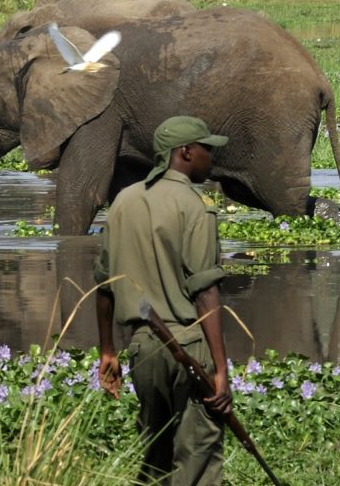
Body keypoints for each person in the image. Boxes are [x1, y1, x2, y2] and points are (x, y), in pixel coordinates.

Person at [94, 116, 233, 486]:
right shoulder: (195, 206)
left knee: (156, 455)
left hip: (143, 352)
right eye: (206, 148)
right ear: (186, 152)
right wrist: (220, 370)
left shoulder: (123, 202)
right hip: (188, 345)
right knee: (199, 456)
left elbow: (104, 286)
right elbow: (205, 293)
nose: (211, 156)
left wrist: (107, 351)